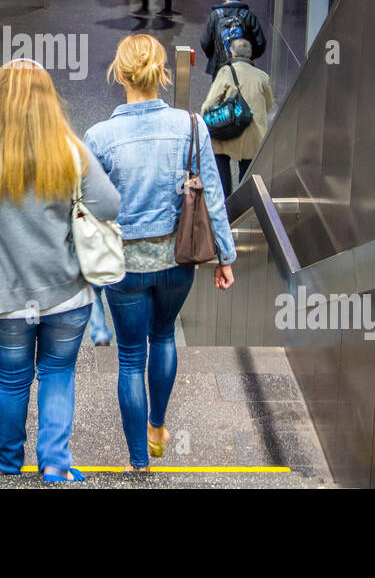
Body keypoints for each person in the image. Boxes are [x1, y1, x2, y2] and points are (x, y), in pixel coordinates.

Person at [0, 60, 121, 482]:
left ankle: (7, 462)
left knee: (10, 381)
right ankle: (55, 465)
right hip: (66, 294)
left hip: (4, 298)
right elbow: (110, 205)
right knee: (57, 374)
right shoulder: (70, 151)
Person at [84, 34, 236, 471]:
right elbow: (214, 196)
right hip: (178, 261)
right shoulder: (191, 126)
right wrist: (224, 257)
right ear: (160, 73)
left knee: (130, 357)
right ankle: (157, 427)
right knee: (164, 336)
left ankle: (138, 462)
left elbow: (87, 210)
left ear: (119, 74)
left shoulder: (100, 137)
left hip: (125, 267)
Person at [200, 37, 274, 195]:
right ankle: (242, 204)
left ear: (232, 54)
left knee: (220, 156)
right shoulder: (262, 77)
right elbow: (268, 105)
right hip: (253, 134)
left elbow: (209, 104)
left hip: (227, 130)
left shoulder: (226, 72)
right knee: (248, 171)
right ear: (251, 54)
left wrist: (203, 120)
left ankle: (225, 201)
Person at [200, 0, 266, 77]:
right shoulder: (249, 16)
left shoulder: (215, 16)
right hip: (243, 68)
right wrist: (248, 56)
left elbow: (205, 42)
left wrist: (213, 55)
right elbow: (260, 43)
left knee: (219, 91)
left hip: (219, 67)